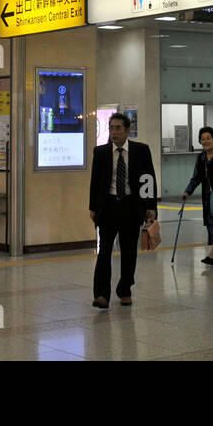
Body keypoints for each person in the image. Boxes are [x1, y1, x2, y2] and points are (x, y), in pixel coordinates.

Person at [88, 112, 157, 308]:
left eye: (118, 128)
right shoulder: (100, 152)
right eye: (111, 128)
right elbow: (95, 183)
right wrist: (93, 208)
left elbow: (148, 178)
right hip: (108, 206)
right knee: (104, 251)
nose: (114, 132)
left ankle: (125, 288)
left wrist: (150, 206)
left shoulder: (141, 151)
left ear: (127, 131)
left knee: (128, 251)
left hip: (131, 206)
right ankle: (101, 294)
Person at [181, 127, 213, 265]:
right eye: (202, 139)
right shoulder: (201, 157)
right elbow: (196, 177)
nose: (205, 141)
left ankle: (212, 255)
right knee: (211, 225)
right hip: (208, 198)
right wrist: (188, 191)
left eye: (208, 138)